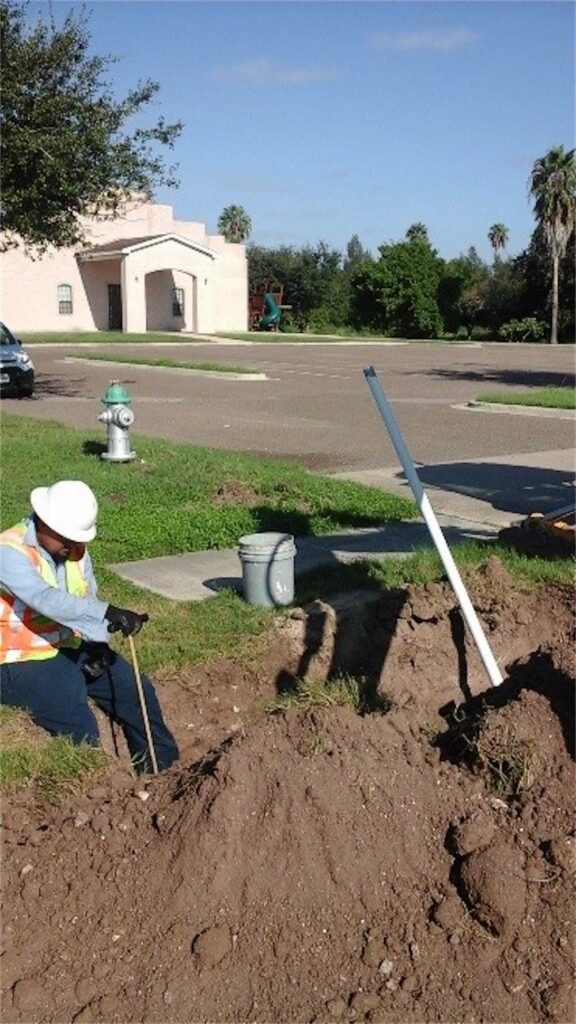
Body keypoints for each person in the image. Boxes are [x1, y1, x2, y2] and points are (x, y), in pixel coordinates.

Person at [0, 480, 179, 773]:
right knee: (77, 720)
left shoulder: (73, 551)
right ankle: (96, 791)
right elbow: (46, 599)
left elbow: (85, 596)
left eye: (77, 539)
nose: (73, 547)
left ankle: (164, 773)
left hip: (67, 644)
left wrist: (97, 644)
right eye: (66, 538)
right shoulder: (8, 552)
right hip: (16, 659)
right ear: (43, 521)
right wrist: (107, 612)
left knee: (135, 689)